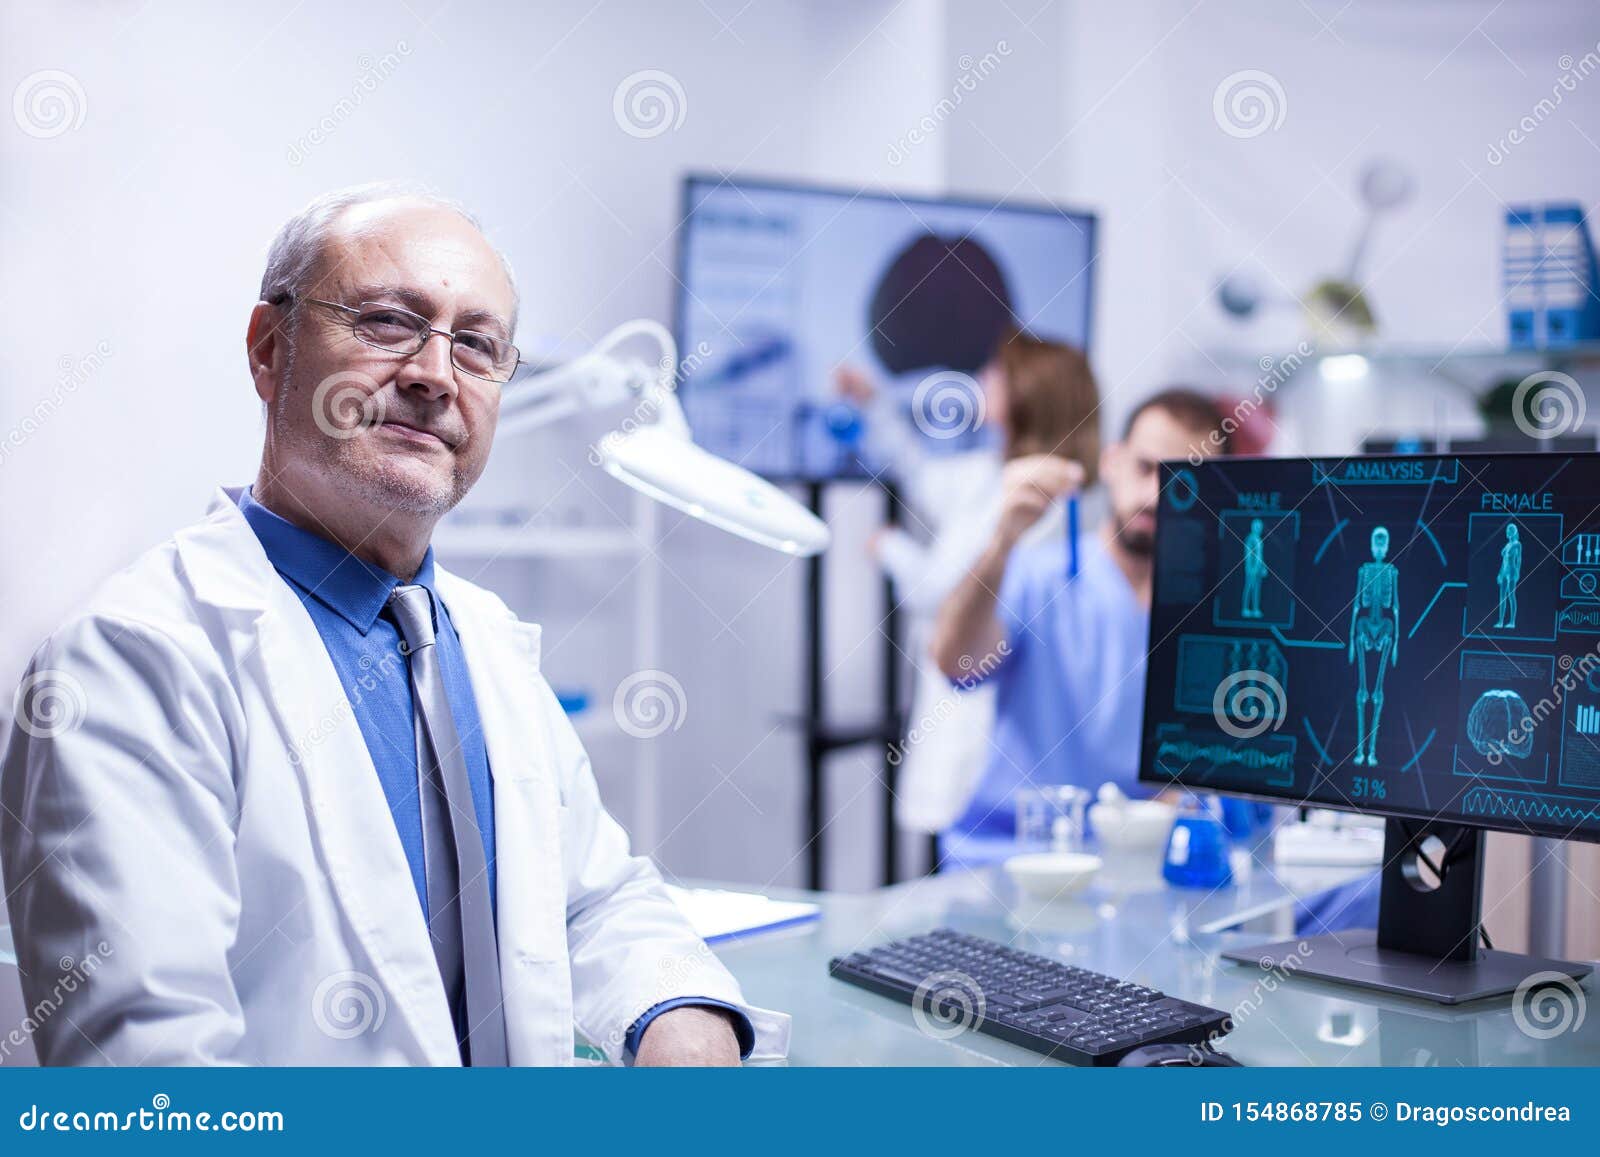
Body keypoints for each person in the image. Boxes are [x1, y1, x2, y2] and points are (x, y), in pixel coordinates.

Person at [0, 184, 787, 1067]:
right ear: (269, 349)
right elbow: (152, 1086)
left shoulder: (481, 639)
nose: (434, 374)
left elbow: (595, 897)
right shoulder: (131, 664)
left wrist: (677, 1011)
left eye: (476, 344)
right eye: (385, 322)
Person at [929, 388, 1231, 865]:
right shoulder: (1038, 574)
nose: (1154, 496)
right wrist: (1003, 539)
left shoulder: (1216, 610)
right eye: (1145, 468)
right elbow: (956, 663)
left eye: (1183, 483)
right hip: (1010, 858)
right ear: (1111, 462)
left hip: (1134, 865)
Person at [836, 329, 1101, 833]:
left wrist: (889, 549)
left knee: (978, 841)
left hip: (984, 720)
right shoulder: (992, 474)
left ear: (1026, 392)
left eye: (996, 373)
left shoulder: (1039, 500)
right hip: (964, 695)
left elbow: (943, 593)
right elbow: (918, 472)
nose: (981, 380)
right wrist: (872, 402)